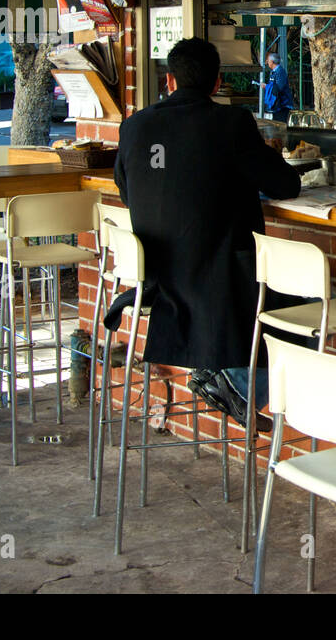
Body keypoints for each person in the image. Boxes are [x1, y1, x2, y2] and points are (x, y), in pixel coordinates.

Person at [113, 37, 301, 428]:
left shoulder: (133, 127)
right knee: (318, 301)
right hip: (223, 284)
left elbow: (129, 194)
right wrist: (268, 154)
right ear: (217, 84)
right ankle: (237, 382)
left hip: (161, 283)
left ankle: (224, 375)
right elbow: (286, 186)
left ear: (169, 81)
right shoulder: (231, 123)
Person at [262, 51, 293, 125]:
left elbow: (279, 87)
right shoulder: (273, 72)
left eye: (268, 61)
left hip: (282, 105)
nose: (267, 62)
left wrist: (267, 86)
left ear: (272, 62)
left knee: (280, 125)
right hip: (276, 105)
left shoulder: (280, 72)